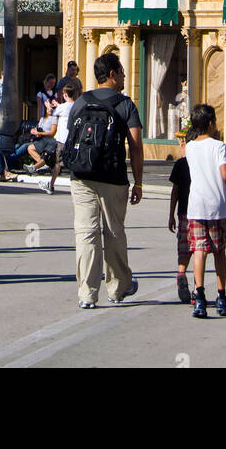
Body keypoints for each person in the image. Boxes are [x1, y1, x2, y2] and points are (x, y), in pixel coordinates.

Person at [64, 51, 143, 309]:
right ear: (112, 74)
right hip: (113, 177)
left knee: (86, 234)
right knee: (113, 232)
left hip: (81, 176)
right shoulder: (125, 105)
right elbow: (136, 146)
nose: (124, 76)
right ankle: (118, 288)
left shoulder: (81, 102)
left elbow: (71, 137)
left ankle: (87, 294)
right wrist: (138, 181)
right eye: (121, 72)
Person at [184, 105, 226, 318]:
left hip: (196, 205)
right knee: (219, 250)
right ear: (212, 123)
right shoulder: (219, 146)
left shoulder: (189, 147)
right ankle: (221, 296)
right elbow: (225, 175)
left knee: (199, 250)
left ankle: (200, 296)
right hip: (217, 206)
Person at [167, 130, 196, 303]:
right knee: (198, 249)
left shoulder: (180, 164)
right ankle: (197, 288)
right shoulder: (201, 163)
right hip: (198, 211)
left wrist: (171, 215)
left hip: (183, 212)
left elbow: (175, 191)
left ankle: (181, 273)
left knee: (183, 247)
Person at [46, 77, 82, 194]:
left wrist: (48, 106)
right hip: (73, 138)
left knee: (58, 163)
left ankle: (51, 185)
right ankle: (77, 187)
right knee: (73, 163)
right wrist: (57, 105)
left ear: (65, 95)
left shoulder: (62, 107)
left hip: (62, 139)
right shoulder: (77, 106)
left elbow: (52, 113)